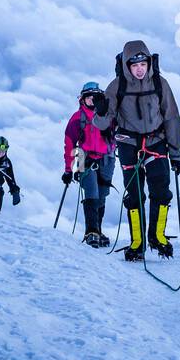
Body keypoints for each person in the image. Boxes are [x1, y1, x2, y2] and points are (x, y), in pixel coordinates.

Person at [93, 40, 180, 261]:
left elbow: (171, 118)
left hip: (156, 141)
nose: (140, 68)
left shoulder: (160, 83)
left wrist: (175, 154)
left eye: (143, 63)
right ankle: (137, 242)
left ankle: (157, 236)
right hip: (128, 143)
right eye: (134, 65)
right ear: (126, 65)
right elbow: (101, 125)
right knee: (134, 194)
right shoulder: (116, 86)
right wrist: (101, 112)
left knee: (161, 191)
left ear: (149, 63)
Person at [63, 81, 115, 247]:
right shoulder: (77, 118)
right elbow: (69, 144)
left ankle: (97, 231)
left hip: (107, 158)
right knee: (91, 192)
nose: (92, 101)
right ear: (82, 99)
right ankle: (91, 231)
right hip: (85, 158)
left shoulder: (109, 116)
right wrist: (68, 169)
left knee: (102, 194)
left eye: (95, 98)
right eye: (88, 98)